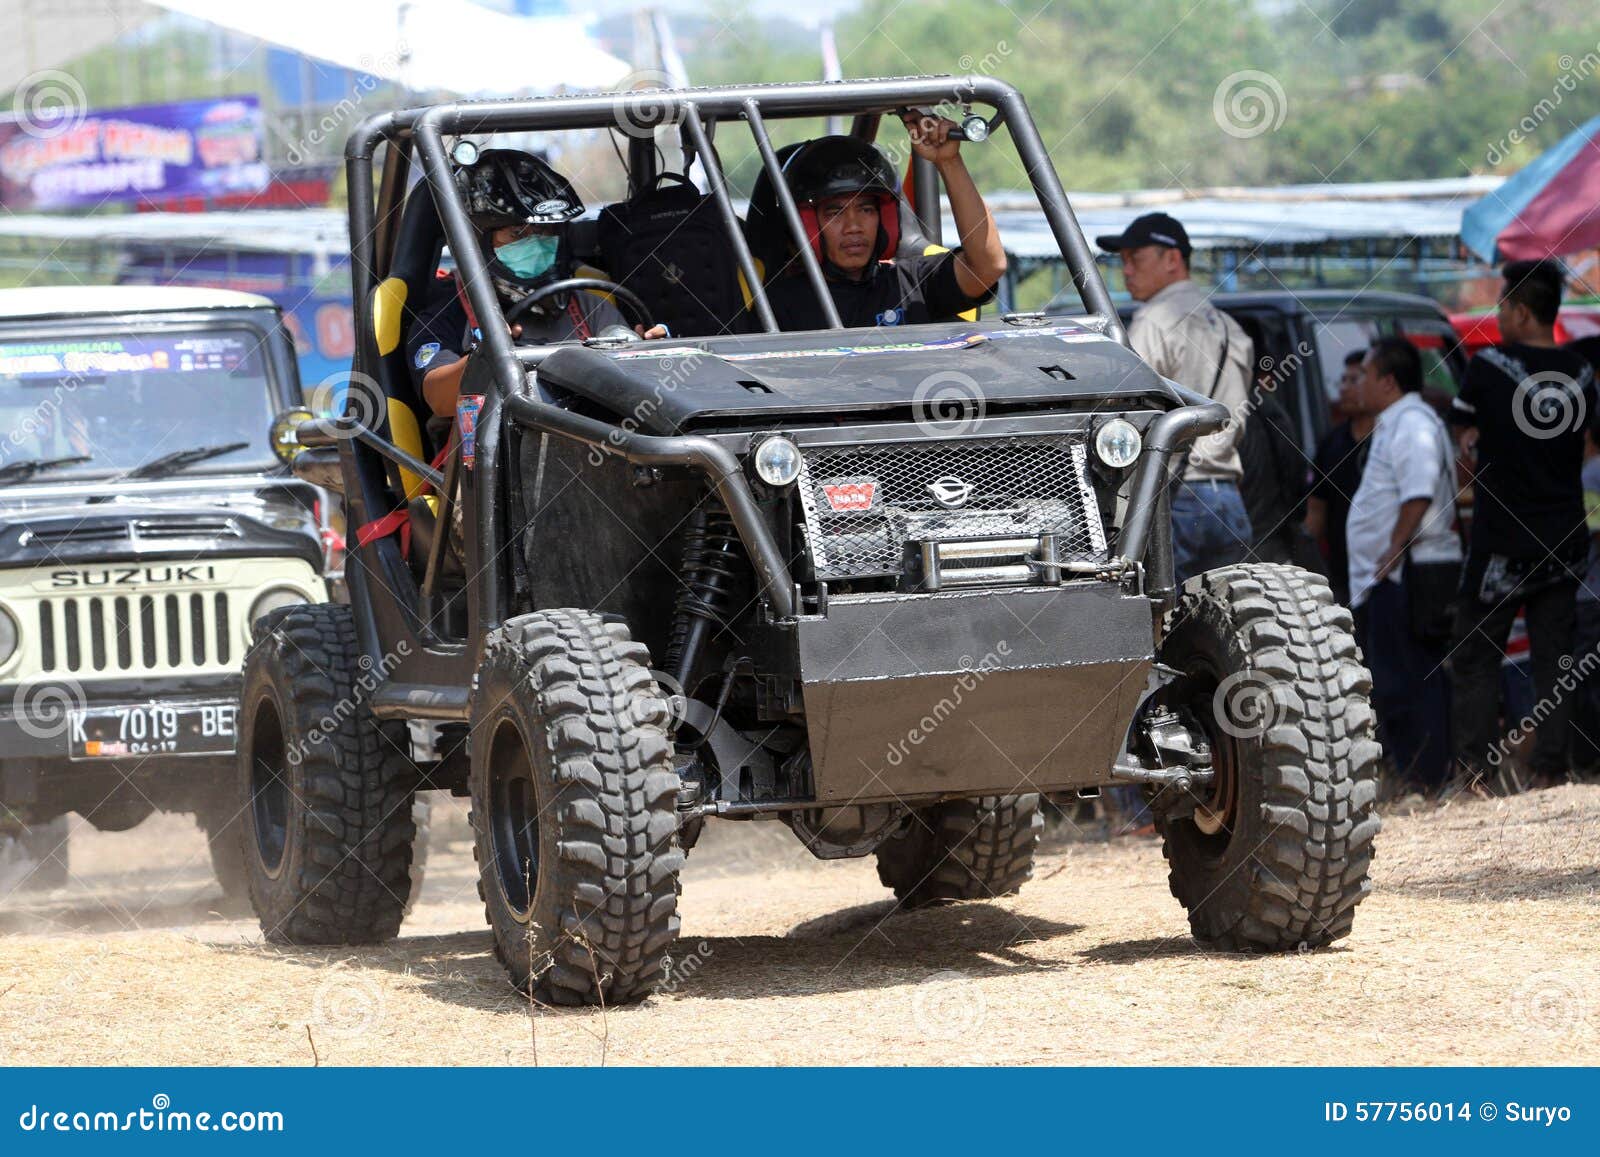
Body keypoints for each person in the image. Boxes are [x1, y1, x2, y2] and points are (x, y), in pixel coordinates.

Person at [1449, 259, 1598, 786]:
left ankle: (1475, 773)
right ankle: (1552, 770)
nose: (1498, 316)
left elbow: (1463, 437)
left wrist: (1476, 445)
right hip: (1565, 538)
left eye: (1502, 306)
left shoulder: (1487, 366)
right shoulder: (1581, 372)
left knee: (1475, 655)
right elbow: (1584, 446)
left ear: (1522, 311)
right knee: (1554, 660)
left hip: (1501, 542)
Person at [408, 148, 665, 419]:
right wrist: (486, 356)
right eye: (517, 233)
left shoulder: (589, 302)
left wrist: (648, 357)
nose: (535, 242)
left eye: (545, 231)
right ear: (476, 240)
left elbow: (629, 388)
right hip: (493, 454)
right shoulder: (446, 313)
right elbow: (438, 398)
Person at [1097, 212, 1253, 584]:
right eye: (1122, 262)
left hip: (1176, 499)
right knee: (1227, 622)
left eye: (1136, 259)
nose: (1126, 271)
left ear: (1172, 259)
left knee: (1162, 622)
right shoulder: (1229, 327)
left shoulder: (1154, 320)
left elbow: (1126, 409)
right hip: (1228, 500)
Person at [1345, 337, 1462, 791]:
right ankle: (1418, 771)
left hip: (1407, 570)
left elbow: (1418, 491)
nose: (1360, 386)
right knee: (1397, 676)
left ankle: (1426, 775)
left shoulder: (1411, 421)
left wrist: (1394, 548)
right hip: (1392, 572)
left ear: (1389, 382)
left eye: (1368, 376)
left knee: (1409, 679)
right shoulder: (1397, 420)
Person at [764, 114, 1005, 331]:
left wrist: (950, 162)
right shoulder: (777, 307)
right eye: (835, 213)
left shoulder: (911, 283)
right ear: (807, 225)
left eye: (866, 209)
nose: (853, 226)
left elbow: (988, 267)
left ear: (884, 219)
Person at [1306, 349, 1375, 605]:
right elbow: (1316, 509)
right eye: (1342, 381)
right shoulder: (1331, 443)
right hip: (1342, 572)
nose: (1344, 389)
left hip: (1385, 567)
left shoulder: (1393, 438)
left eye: (1354, 380)